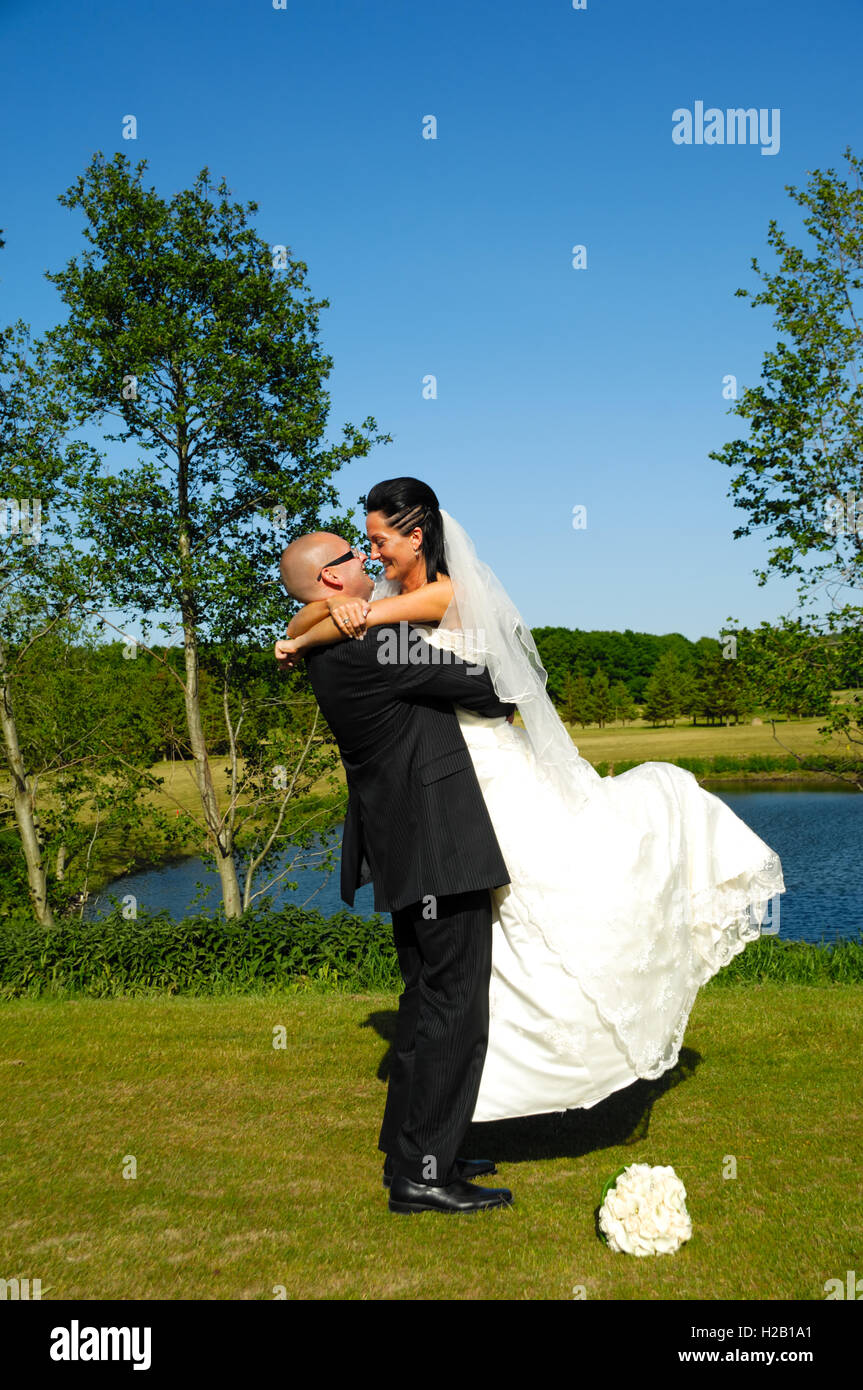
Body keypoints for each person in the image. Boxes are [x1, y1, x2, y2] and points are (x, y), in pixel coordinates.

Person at [276, 478, 787, 1125]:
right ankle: (475, 1101)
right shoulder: (378, 598)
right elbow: (306, 604)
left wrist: (330, 623)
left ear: (415, 534)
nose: (371, 556)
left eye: (376, 541)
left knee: (557, 893)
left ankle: (534, 1068)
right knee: (496, 936)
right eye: (362, 548)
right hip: (446, 783)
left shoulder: (439, 593)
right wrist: (302, 630)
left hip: (483, 765)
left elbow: (364, 621)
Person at [277, 530, 516, 1214]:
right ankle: (423, 1177)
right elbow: (492, 690)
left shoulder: (329, 641)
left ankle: (414, 1149)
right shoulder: (374, 643)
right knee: (453, 1009)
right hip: (440, 846)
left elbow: (307, 623)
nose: (368, 558)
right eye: (354, 555)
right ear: (330, 581)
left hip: (405, 844)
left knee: (423, 1004)